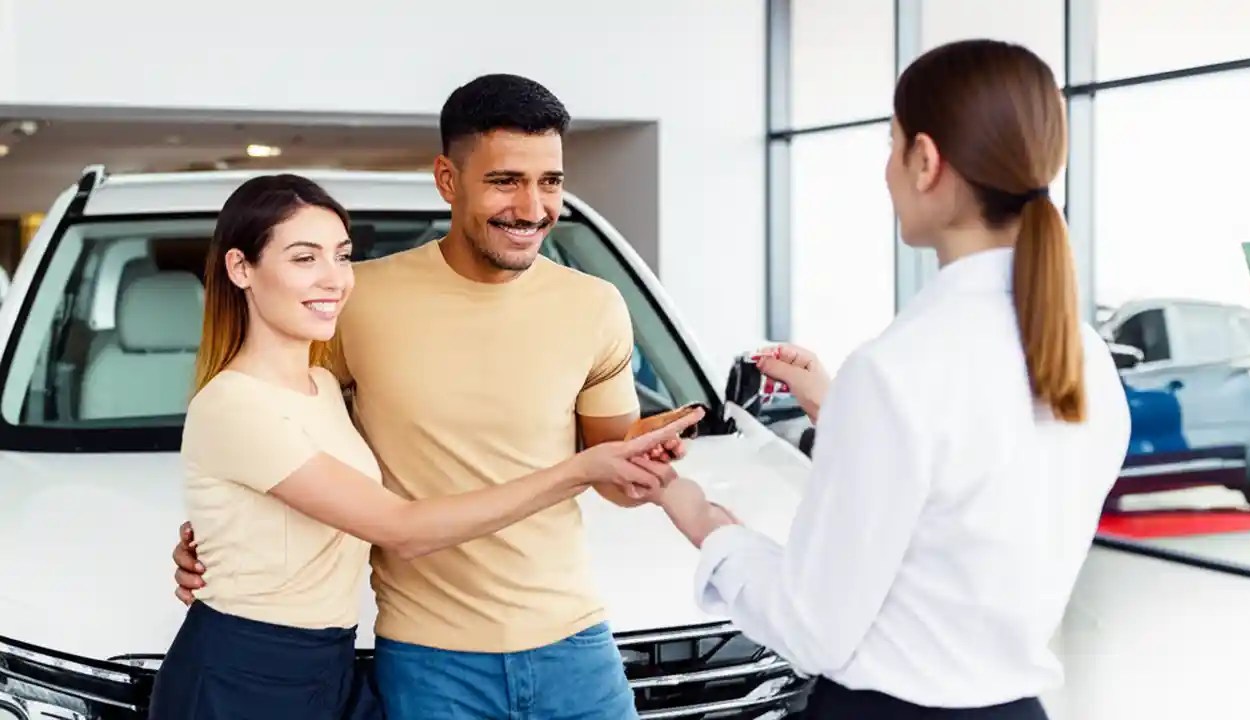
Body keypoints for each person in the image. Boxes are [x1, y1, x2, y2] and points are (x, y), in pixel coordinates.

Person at [172, 75, 694, 719]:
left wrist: (645, 455)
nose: (532, 207)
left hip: (575, 643)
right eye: (505, 180)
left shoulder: (595, 306)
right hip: (427, 657)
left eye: (551, 181)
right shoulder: (355, 302)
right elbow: (265, 416)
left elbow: (615, 476)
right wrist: (218, 537)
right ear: (448, 179)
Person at [656, 39, 1131, 719]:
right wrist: (839, 407)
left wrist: (704, 521)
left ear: (926, 161)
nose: (887, 169)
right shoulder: (1082, 357)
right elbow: (972, 498)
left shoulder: (898, 371)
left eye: (891, 144)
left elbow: (810, 628)